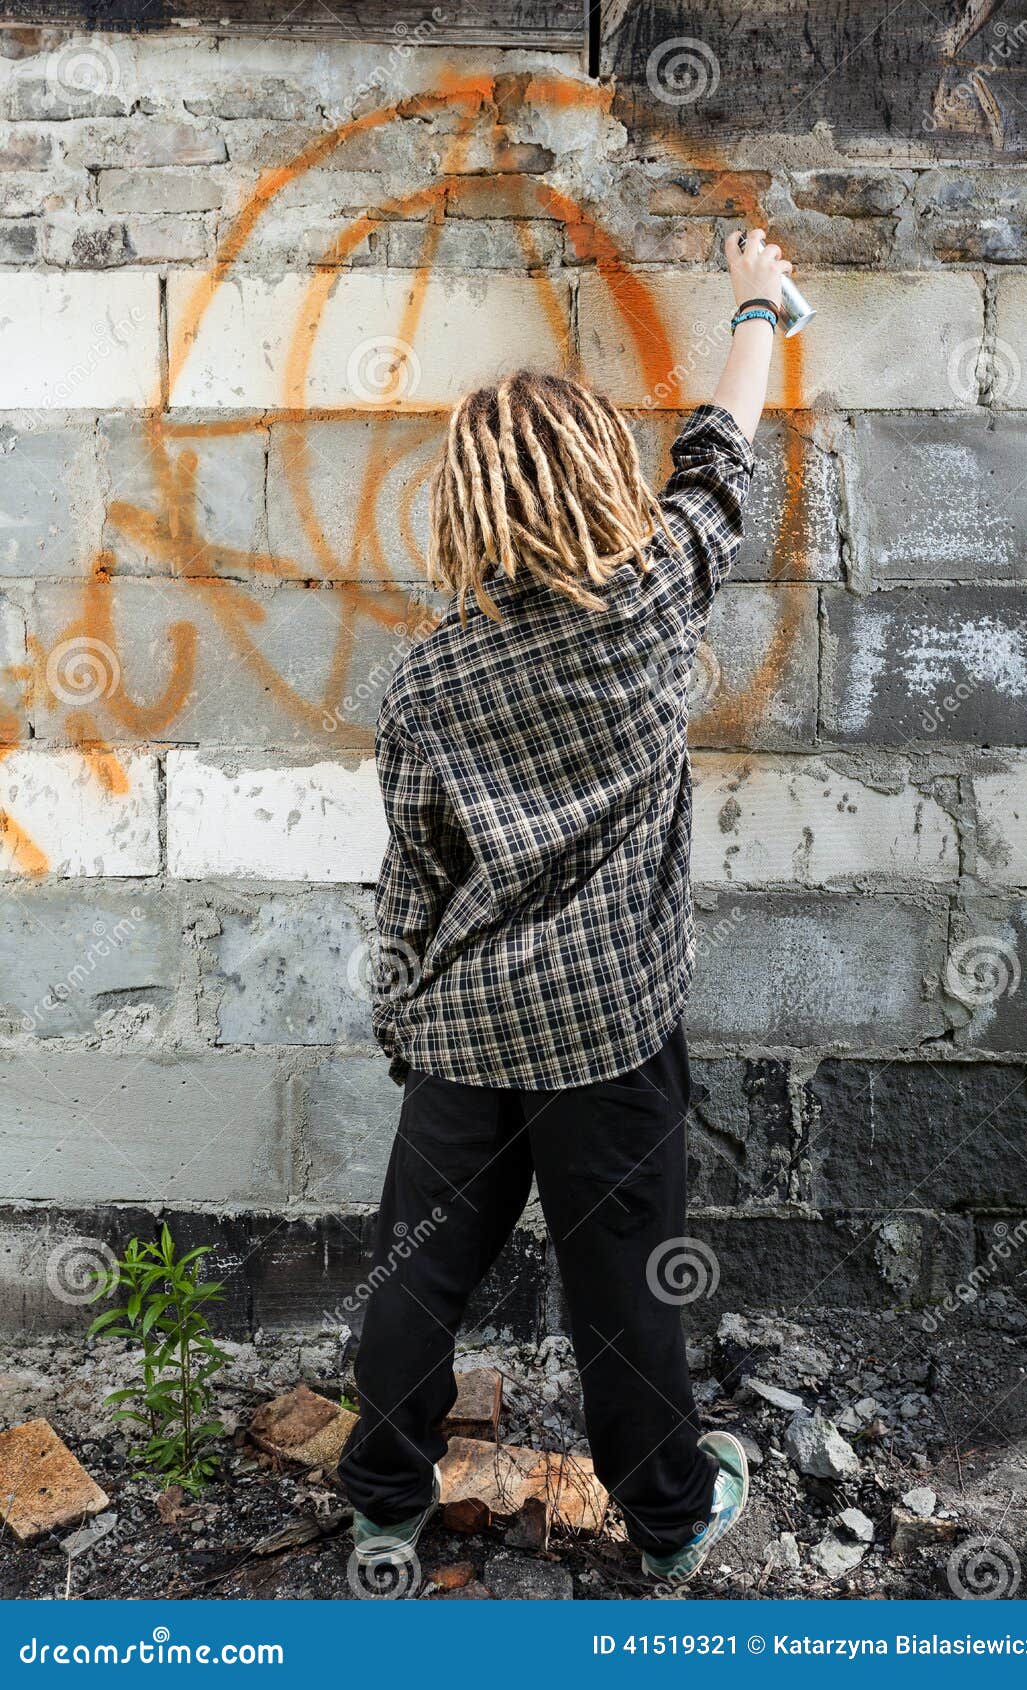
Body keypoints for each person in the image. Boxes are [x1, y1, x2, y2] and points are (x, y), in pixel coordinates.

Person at [338, 230, 793, 1587]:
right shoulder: (652, 606)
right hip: (607, 1040)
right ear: (601, 478)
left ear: (467, 511)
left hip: (463, 1032)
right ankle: (669, 1517)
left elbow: (413, 879)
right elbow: (722, 456)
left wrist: (402, 1022)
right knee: (622, 1296)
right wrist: (759, 301)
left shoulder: (425, 685)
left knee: (415, 1274)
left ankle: (380, 1503)